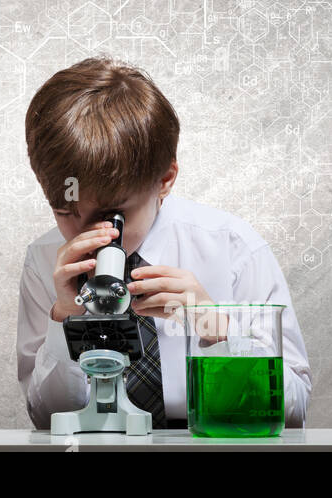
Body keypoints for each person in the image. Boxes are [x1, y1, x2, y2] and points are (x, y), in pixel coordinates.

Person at [16, 56, 311, 429]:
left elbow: (295, 407)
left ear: (165, 178)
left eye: (111, 216)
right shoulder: (46, 261)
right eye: (63, 210)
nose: (86, 234)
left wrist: (217, 330)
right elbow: (45, 418)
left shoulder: (232, 248)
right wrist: (65, 320)